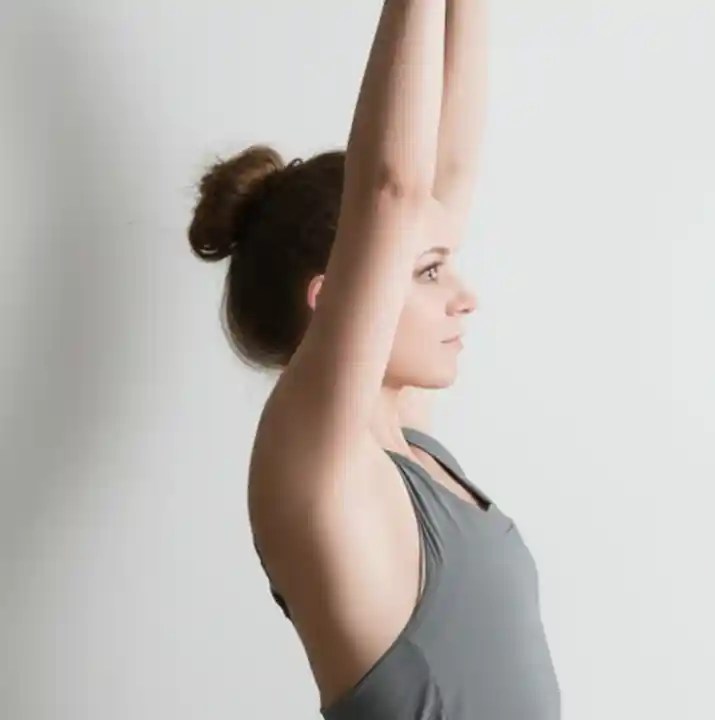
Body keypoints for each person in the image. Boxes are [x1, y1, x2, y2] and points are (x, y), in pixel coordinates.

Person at [185, 2, 560, 718]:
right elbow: (393, 191)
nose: (465, 296)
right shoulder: (318, 462)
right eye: (427, 272)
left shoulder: (406, 442)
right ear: (334, 298)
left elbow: (442, 174)